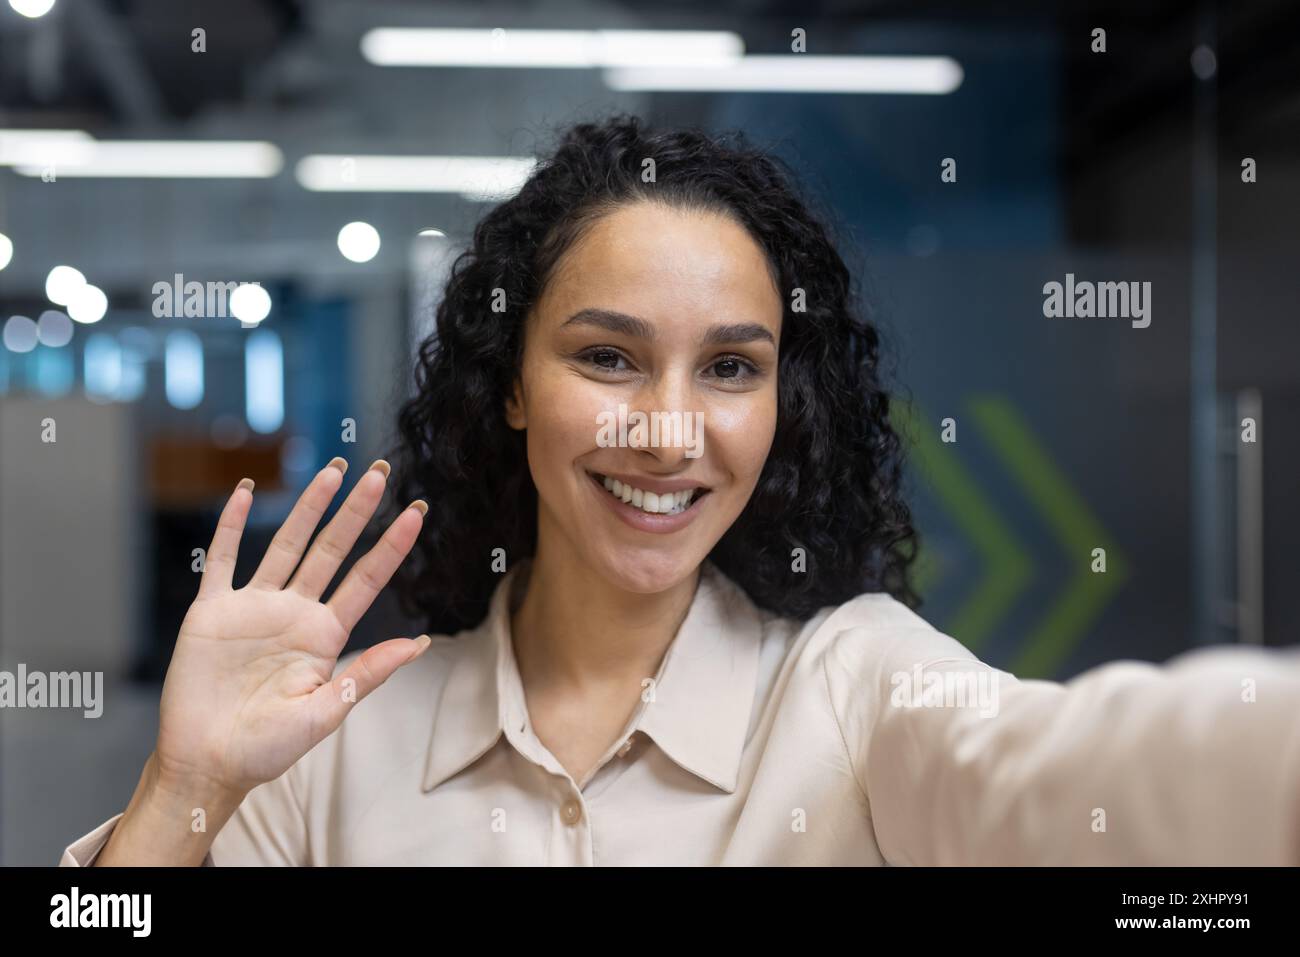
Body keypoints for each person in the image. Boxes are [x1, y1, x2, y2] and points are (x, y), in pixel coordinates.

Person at [62, 115, 1300, 866]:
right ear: (509, 385)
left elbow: (1087, 777)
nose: (667, 429)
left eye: (729, 368)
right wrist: (184, 791)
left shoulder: (856, 689)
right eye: (606, 356)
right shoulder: (334, 749)